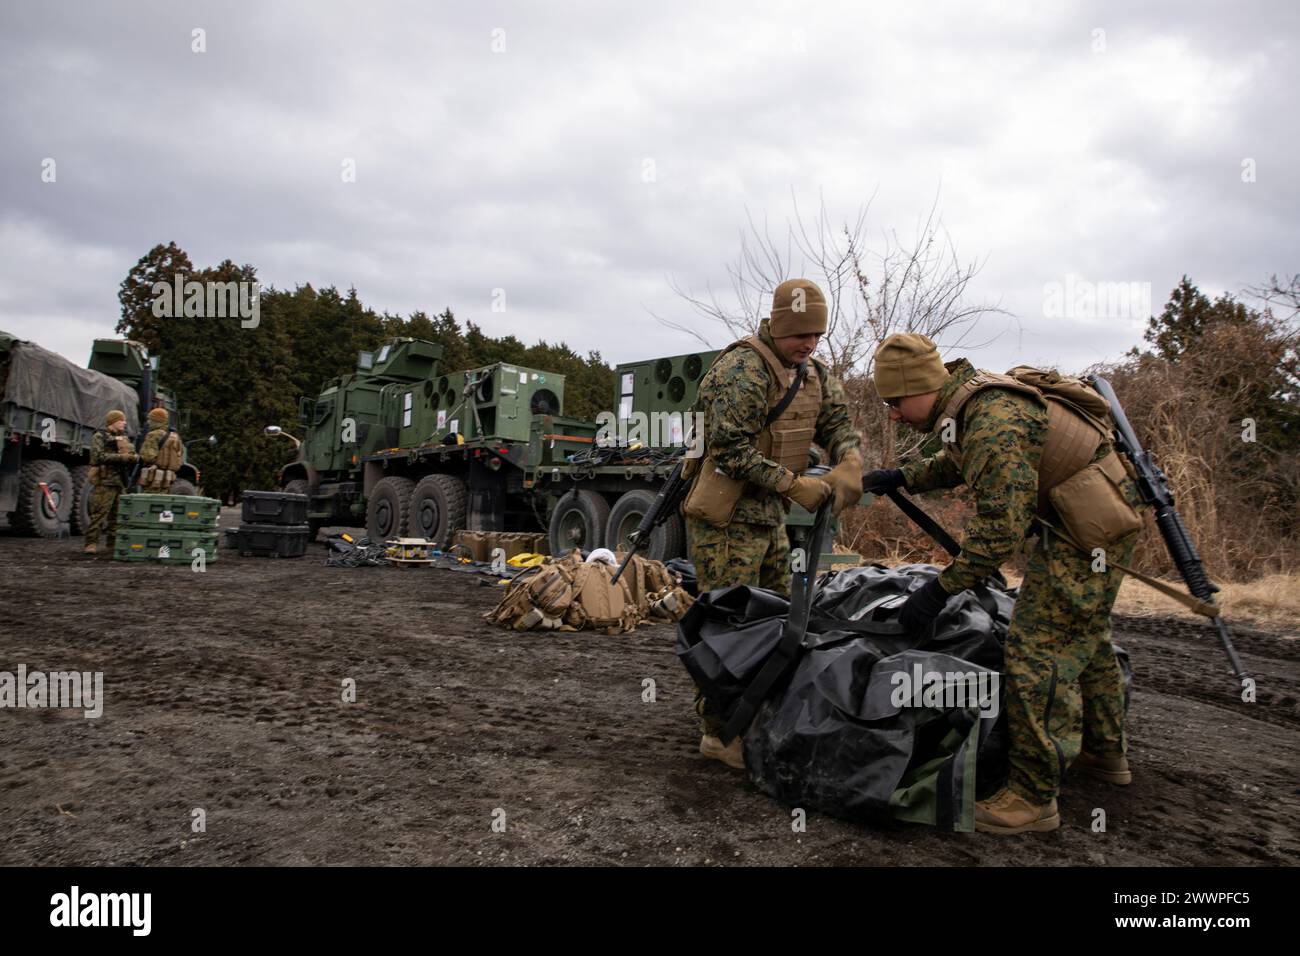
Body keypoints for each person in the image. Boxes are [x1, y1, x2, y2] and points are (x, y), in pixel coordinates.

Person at [866, 332, 1143, 834]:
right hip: (1097, 522)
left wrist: (940, 590)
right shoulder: (972, 404)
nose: (893, 414)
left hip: (1086, 534)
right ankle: (1105, 753)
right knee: (1087, 634)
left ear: (923, 385)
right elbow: (960, 462)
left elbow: (999, 531)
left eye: (895, 401)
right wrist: (902, 477)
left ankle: (1033, 798)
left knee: (1037, 650)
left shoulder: (991, 417)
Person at [684, 278, 864, 768]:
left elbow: (838, 424)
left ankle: (751, 716)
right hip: (727, 521)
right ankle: (718, 732)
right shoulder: (741, 369)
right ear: (777, 324)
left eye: (817, 336)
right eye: (799, 334)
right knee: (728, 627)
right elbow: (728, 450)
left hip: (769, 520)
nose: (808, 344)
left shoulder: (814, 373)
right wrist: (792, 484)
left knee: (776, 622)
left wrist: (849, 458)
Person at [83, 409, 138, 556]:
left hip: (120, 482)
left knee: (118, 515)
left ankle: (112, 544)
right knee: (99, 514)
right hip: (105, 481)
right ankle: (91, 543)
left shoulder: (123, 438)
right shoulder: (99, 436)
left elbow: (131, 455)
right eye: (121, 420)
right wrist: (122, 458)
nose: (124, 423)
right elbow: (97, 457)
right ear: (113, 422)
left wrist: (133, 457)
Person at [137, 407, 182, 492]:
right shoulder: (175, 436)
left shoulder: (153, 435)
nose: (148, 422)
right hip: (168, 479)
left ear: (156, 421)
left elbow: (147, 457)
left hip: (153, 478)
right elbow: (179, 457)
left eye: (150, 420)